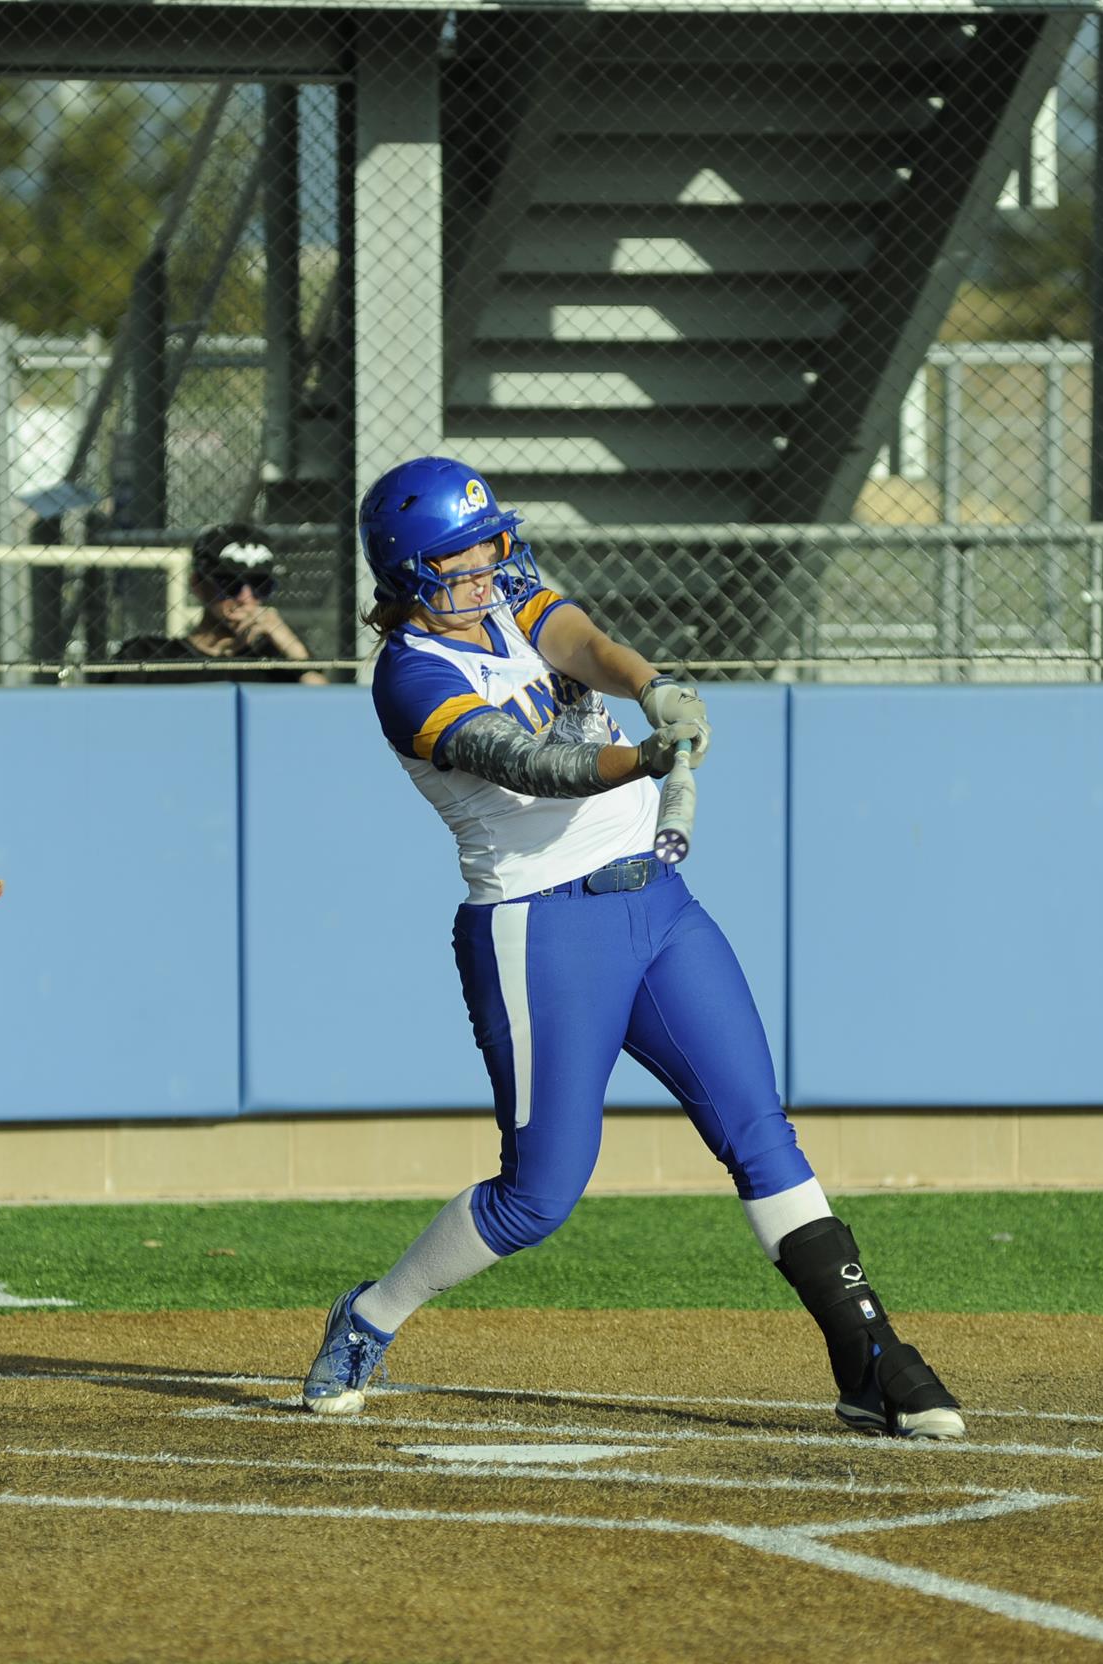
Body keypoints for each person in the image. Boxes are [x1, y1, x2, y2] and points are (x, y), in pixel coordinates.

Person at [296, 455, 965, 1440]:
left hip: (658, 906)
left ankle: (871, 1355)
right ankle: (370, 1314)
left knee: (758, 1129)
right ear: (407, 571)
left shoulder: (504, 593)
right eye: (461, 555)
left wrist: (655, 688)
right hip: (542, 928)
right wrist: (641, 757)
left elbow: (579, 637)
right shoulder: (409, 673)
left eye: (489, 544)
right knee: (537, 1196)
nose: (486, 564)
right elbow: (532, 764)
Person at [109, 523, 329, 684]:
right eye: (231, 584)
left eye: (260, 585)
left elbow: (325, 718)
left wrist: (292, 647)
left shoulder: (276, 665)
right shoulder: (148, 658)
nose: (245, 598)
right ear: (197, 584)